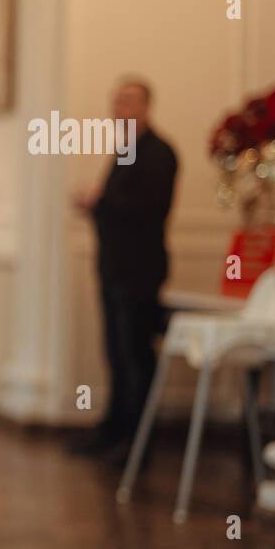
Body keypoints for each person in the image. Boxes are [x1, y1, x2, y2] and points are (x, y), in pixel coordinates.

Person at [71, 77, 179, 460]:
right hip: (113, 267)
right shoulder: (124, 152)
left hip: (140, 271)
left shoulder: (160, 154)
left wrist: (99, 201)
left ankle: (138, 440)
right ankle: (114, 430)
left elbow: (146, 211)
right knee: (115, 352)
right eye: (116, 102)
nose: (120, 110)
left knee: (135, 354)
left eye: (128, 102)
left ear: (147, 106)